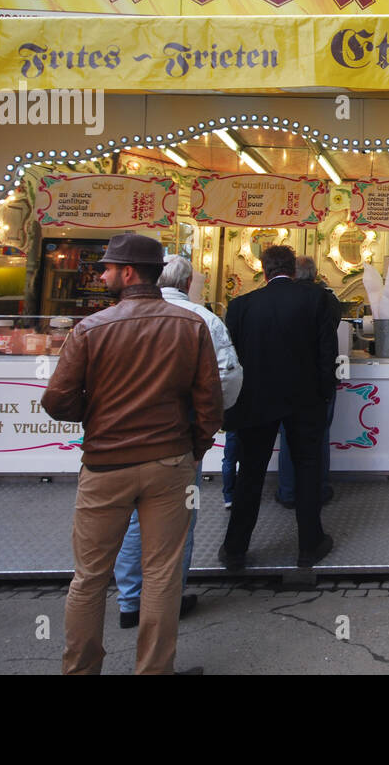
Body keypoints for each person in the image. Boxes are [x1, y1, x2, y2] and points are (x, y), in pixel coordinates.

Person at [41, 233, 223, 675]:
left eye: (106, 267)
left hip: (105, 465)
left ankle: (81, 669)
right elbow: (209, 403)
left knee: (88, 577)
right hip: (169, 462)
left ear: (127, 273)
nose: (100, 274)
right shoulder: (190, 325)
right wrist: (191, 449)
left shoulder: (91, 328)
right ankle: (153, 669)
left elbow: (56, 400)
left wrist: (96, 417)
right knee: (162, 573)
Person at [114, 256, 242, 629]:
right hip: (179, 432)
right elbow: (228, 376)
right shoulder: (203, 319)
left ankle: (130, 600)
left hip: (126, 430)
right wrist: (208, 418)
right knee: (177, 516)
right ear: (188, 284)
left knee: (135, 516)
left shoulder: (120, 315)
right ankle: (166, 599)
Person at [221, 244, 338, 570]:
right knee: (307, 470)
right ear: (291, 267)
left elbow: (233, 361)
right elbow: (327, 354)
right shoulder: (316, 299)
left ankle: (235, 549)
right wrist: (325, 392)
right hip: (305, 399)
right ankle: (309, 545)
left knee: (251, 474)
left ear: (263, 268)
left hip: (255, 401)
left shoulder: (241, 305)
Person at [276, 256, 339, 508]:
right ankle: (319, 489)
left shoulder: (281, 299)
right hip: (319, 378)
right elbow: (329, 340)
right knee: (319, 435)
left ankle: (289, 491)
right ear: (315, 274)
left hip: (285, 377)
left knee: (288, 437)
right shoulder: (327, 300)